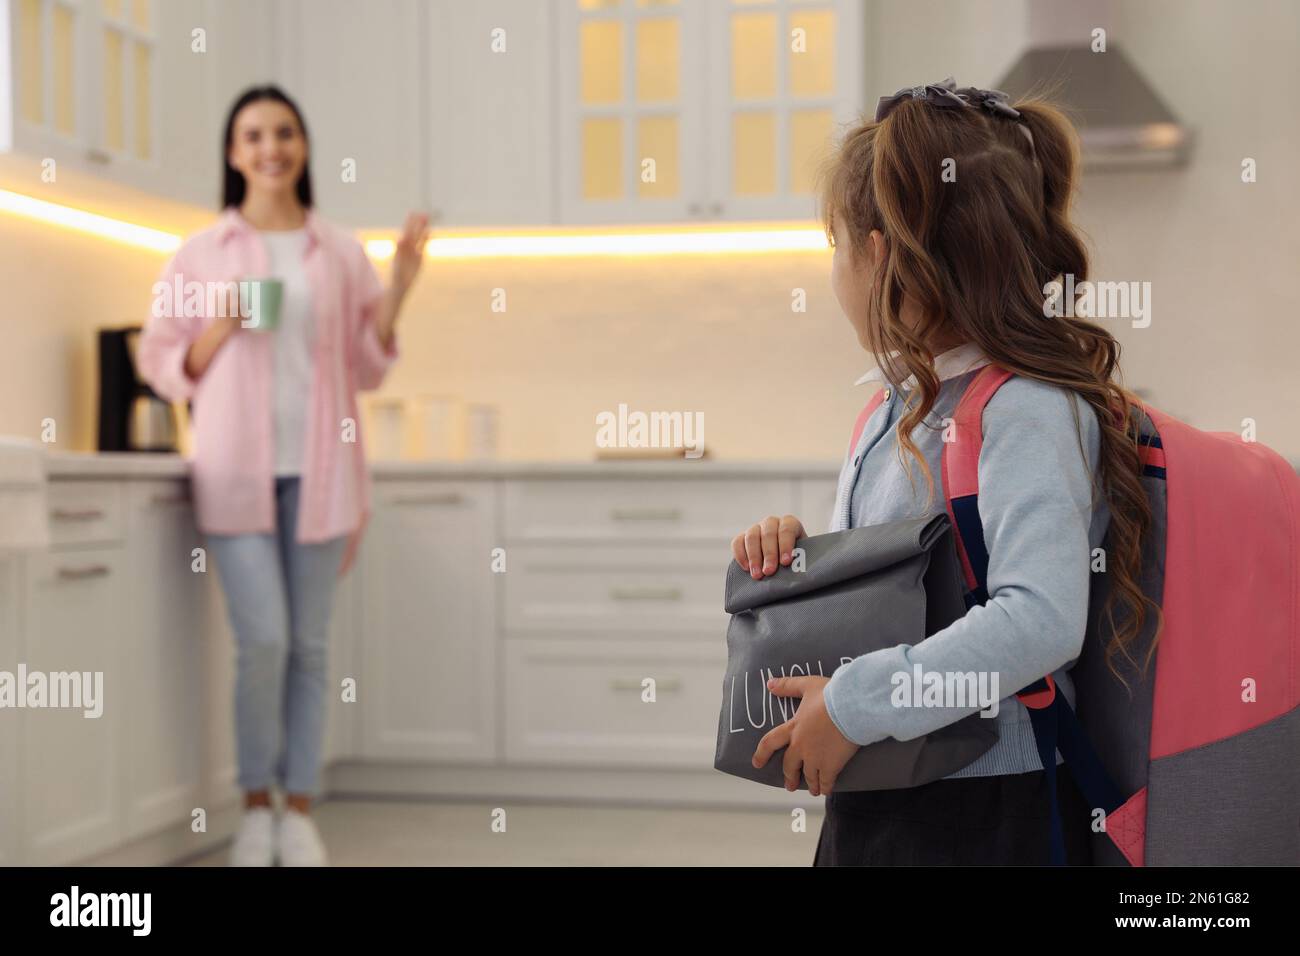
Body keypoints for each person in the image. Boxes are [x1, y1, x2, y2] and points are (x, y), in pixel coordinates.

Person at [730, 80, 1158, 865]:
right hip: (886, 775)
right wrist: (799, 555)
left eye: (836, 246)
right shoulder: (890, 408)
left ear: (880, 252)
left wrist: (856, 705)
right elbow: (898, 588)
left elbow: (1039, 620)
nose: (834, 274)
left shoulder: (1023, 409)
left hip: (984, 803)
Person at [138, 85, 428, 866]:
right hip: (235, 472)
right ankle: (255, 804)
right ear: (234, 154)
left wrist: (399, 286)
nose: (272, 147)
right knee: (261, 641)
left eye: (285, 132)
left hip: (323, 471)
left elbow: (368, 367)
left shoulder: (336, 249)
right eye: (255, 135)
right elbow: (162, 361)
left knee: (308, 646)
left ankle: (298, 806)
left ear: (302, 146)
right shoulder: (200, 254)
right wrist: (224, 326)